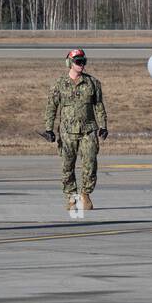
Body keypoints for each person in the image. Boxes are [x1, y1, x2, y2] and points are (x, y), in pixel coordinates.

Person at [42, 48, 107, 212]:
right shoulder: (59, 84)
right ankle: (72, 198)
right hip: (67, 132)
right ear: (70, 63)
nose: (82, 65)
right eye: (78, 62)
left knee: (90, 165)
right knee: (67, 167)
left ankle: (85, 194)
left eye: (83, 62)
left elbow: (99, 106)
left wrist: (103, 126)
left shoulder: (92, 83)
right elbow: (51, 107)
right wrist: (48, 129)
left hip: (88, 131)